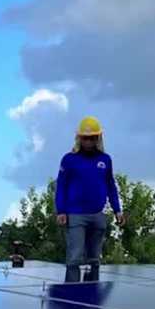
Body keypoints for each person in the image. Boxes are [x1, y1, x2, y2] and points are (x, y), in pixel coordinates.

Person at [55, 116, 125, 282]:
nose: (89, 141)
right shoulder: (69, 159)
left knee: (94, 259)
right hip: (75, 215)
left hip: (97, 214)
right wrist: (61, 210)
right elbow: (61, 186)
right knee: (75, 258)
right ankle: (72, 293)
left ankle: (92, 292)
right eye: (85, 138)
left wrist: (117, 210)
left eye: (92, 138)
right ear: (79, 138)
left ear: (98, 138)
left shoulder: (105, 160)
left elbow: (111, 186)